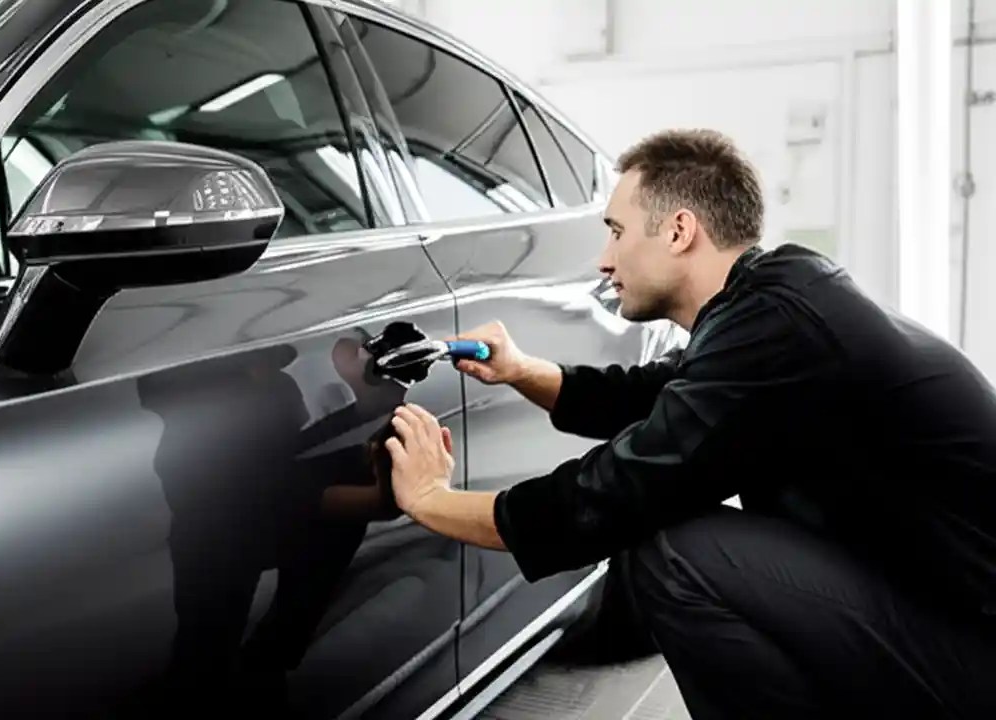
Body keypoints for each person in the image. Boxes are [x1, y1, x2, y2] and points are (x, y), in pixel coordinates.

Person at [383, 128, 996, 720]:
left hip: (968, 648)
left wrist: (433, 502)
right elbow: (656, 400)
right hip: (937, 607)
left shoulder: (775, 328)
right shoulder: (773, 303)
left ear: (679, 231)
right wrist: (521, 371)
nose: (603, 260)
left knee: (671, 551)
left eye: (617, 232)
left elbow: (610, 497)